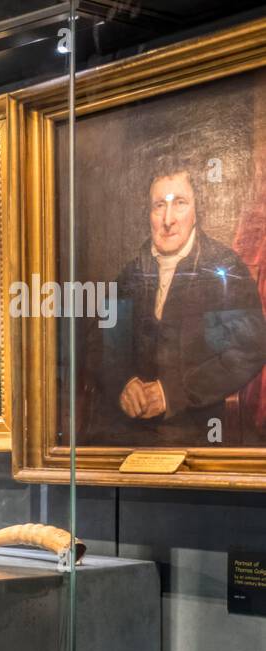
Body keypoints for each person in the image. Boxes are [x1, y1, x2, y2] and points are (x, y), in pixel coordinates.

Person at [84, 160, 266, 446]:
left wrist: (173, 393)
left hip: (196, 430)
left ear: (196, 212)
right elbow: (99, 341)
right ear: (149, 213)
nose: (168, 219)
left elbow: (250, 348)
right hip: (127, 430)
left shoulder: (225, 269)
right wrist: (123, 383)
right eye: (159, 205)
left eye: (180, 202)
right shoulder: (130, 274)